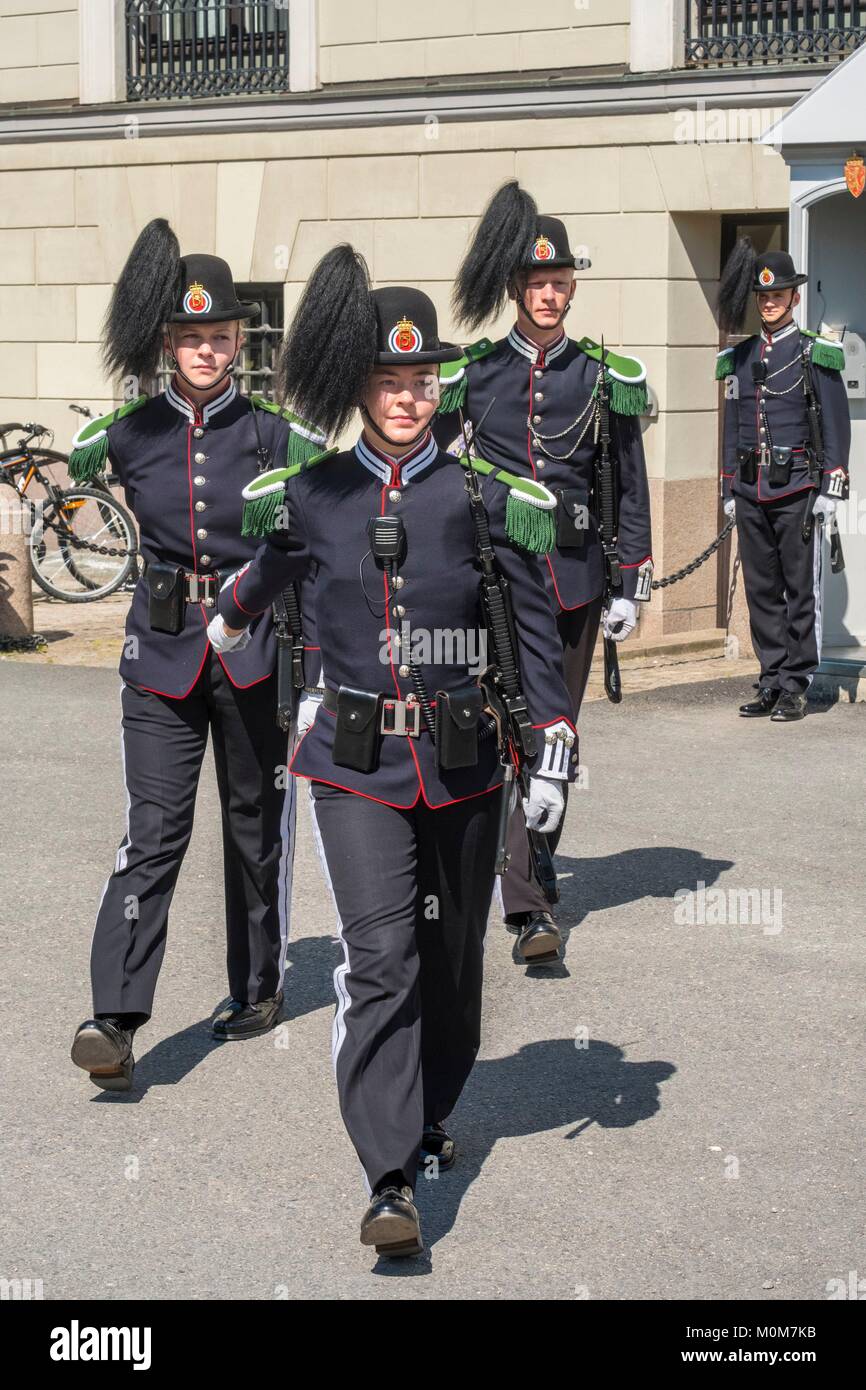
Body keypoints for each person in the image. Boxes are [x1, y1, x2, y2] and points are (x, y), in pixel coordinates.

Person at [208, 245, 575, 1258]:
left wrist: (552, 743)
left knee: (449, 966)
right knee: (379, 962)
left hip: (462, 760)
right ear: (357, 387)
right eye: (388, 381)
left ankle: (427, 1107)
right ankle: (385, 1175)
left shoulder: (479, 495)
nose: (407, 397)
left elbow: (528, 624)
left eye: (421, 381)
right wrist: (228, 620)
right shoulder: (315, 492)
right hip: (349, 765)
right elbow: (266, 568)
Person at [69, 219, 325, 1092]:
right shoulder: (126, 436)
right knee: (154, 831)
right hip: (160, 656)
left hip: (253, 653)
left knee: (254, 829)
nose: (207, 350)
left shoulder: (280, 438)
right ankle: (114, 1017)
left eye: (221, 336)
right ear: (167, 343)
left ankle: (255, 988)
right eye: (191, 337)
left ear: (239, 341)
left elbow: (311, 545)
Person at [435, 181, 653, 964]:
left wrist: (634, 577)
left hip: (573, 580)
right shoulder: (478, 374)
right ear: (515, 290)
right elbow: (431, 464)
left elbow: (628, 479)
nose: (551, 295)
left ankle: (533, 860)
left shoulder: (602, 375)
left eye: (561, 283)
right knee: (501, 730)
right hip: (489, 584)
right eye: (538, 284)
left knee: (557, 731)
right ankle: (526, 903)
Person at [716, 240, 850, 721]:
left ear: (794, 297)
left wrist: (830, 489)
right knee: (761, 590)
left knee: (799, 589)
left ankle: (797, 683)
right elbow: (733, 424)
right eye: (763, 296)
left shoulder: (816, 353)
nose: (769, 302)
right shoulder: (742, 355)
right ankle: (771, 678)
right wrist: (731, 487)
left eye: (778, 296)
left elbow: (836, 423)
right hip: (752, 489)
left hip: (796, 487)